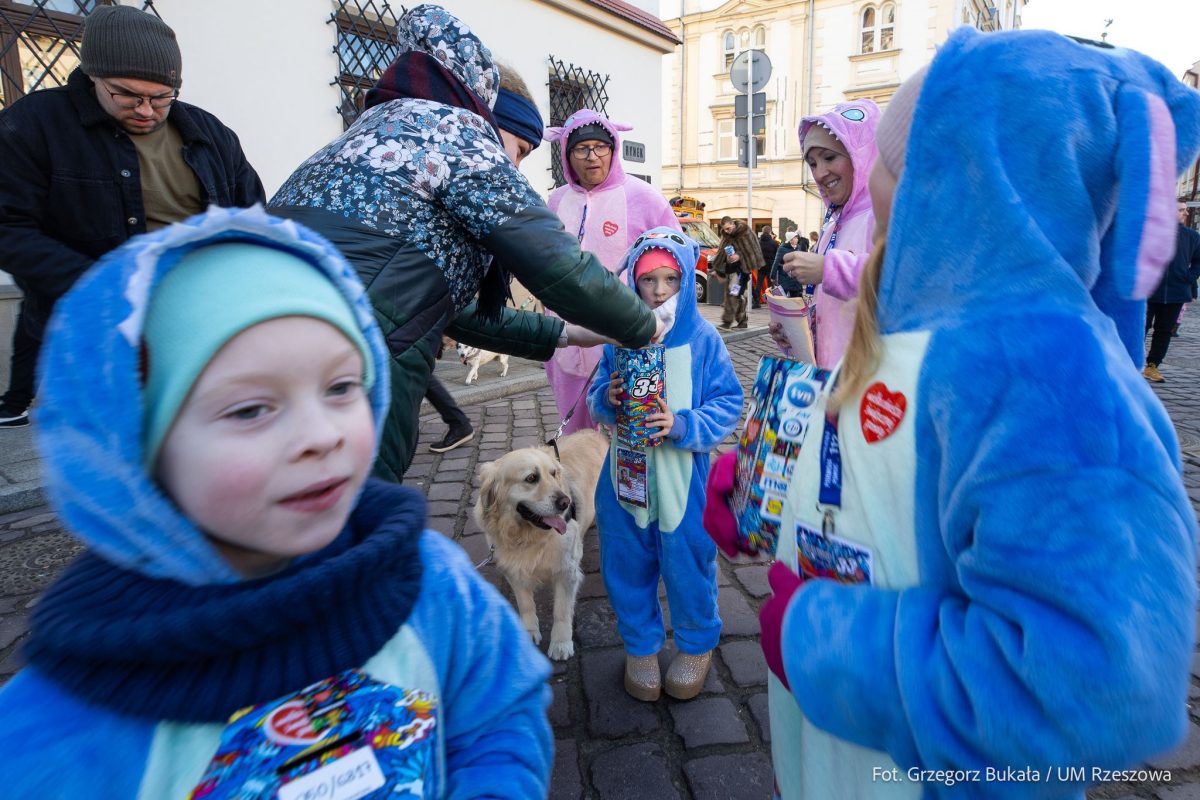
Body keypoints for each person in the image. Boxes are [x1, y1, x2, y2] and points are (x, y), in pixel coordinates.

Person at [705, 28, 1200, 797]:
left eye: (896, 165)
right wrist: (775, 492)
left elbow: (1089, 685)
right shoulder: (899, 316)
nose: (870, 183)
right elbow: (887, 475)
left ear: (954, 176)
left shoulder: (1045, 376)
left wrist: (822, 644)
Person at [0, 206, 553, 796]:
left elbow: (499, 713)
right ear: (140, 447)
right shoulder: (62, 721)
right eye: (249, 409)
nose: (322, 434)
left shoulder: (431, 584)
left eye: (341, 387)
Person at [270, 5, 661, 482]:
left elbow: (443, 307)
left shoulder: (372, 134)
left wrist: (569, 333)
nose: (513, 170)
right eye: (517, 153)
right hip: (351, 366)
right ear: (490, 119)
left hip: (273, 346)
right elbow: (560, 266)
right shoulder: (460, 137)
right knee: (348, 510)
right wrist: (643, 324)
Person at [0, 4, 263, 429]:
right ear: (92, 76)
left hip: (193, 327)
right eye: (126, 94)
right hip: (92, 331)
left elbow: (251, 218)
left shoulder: (209, 133)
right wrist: (100, 283)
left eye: (161, 97)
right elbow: (8, 228)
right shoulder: (33, 125)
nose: (146, 110)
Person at [588, 227, 743, 702]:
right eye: (648, 280)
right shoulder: (619, 338)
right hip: (625, 477)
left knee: (688, 561)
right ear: (633, 282)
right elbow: (596, 395)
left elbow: (728, 401)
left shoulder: (702, 339)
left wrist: (682, 423)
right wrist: (607, 399)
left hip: (683, 480)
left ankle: (696, 643)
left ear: (685, 282)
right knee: (625, 560)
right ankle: (639, 645)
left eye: (669, 280)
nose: (658, 291)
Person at [543, 108, 680, 436]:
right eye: (581, 148)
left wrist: (661, 318)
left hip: (625, 341)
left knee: (629, 435)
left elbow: (677, 259)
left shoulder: (643, 198)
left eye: (600, 146)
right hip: (566, 342)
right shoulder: (555, 201)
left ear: (613, 148)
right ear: (566, 153)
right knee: (577, 436)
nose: (592, 156)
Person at [777, 100, 880, 368]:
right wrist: (796, 334)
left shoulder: (884, 213)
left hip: (869, 389)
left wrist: (828, 270)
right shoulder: (834, 223)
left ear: (861, 153)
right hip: (830, 385)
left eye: (830, 157)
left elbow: (900, 282)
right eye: (812, 163)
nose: (820, 173)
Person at [1143, 200, 1200, 382]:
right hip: (1149, 290)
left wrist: (1190, 276)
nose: (1185, 213)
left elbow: (1198, 260)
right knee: (1140, 327)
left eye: (1185, 210)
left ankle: (1152, 366)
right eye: (1180, 210)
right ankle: (1130, 362)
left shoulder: (1191, 235)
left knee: (1164, 331)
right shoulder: (1150, 232)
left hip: (1176, 292)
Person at [710, 215, 764, 329]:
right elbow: (721, 253)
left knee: (733, 294)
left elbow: (753, 251)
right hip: (730, 270)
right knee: (736, 295)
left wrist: (739, 256)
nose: (726, 231)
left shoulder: (745, 233)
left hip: (741, 271)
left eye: (728, 228)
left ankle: (727, 321)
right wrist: (719, 267)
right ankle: (742, 321)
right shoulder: (726, 235)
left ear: (733, 224)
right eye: (724, 229)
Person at [769, 229, 805, 297]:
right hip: (784, 276)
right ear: (790, 240)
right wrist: (772, 276)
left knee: (795, 299)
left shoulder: (798, 247)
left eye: (797, 237)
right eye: (795, 238)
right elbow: (776, 262)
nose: (797, 239)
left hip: (795, 277)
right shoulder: (782, 248)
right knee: (782, 298)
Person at [756, 225, 779, 308]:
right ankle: (771, 302)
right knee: (771, 285)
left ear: (762, 232)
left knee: (759, 284)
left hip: (761, 266)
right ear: (770, 232)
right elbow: (777, 254)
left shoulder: (758, 242)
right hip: (771, 266)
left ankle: (756, 302)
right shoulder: (774, 243)